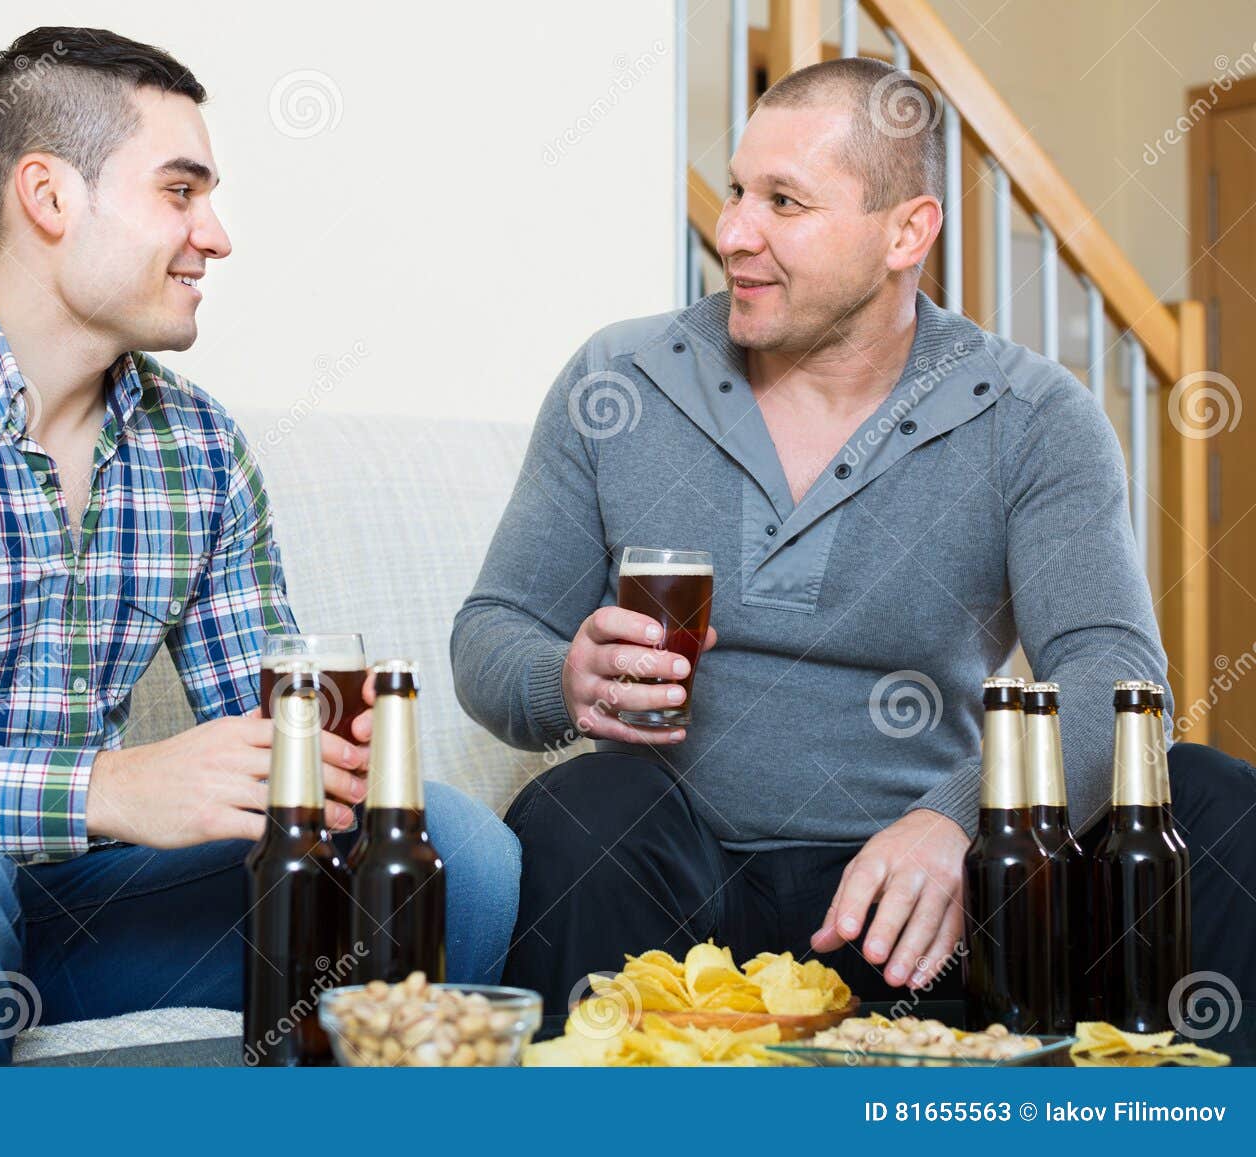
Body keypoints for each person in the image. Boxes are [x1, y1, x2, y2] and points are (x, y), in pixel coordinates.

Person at [0, 26, 519, 1066]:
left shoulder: (199, 448)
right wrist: (99, 787)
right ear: (48, 197)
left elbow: (259, 745)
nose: (215, 235)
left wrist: (324, 767)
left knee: (452, 846)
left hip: (73, 915)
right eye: (180, 190)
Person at [453, 56, 1255, 1016]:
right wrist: (561, 679)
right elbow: (493, 629)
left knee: (1208, 797)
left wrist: (958, 821)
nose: (734, 229)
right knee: (582, 810)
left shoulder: (1032, 414)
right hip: (679, 885)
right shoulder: (620, 379)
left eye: (785, 202)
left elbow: (1118, 676)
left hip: (925, 904)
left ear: (905, 232)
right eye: (740, 188)